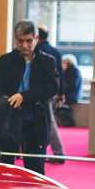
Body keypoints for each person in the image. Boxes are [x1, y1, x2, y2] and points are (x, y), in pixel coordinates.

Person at [0, 20, 59, 174]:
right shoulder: (5, 61)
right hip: (8, 121)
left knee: (35, 170)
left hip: (35, 121)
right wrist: (7, 98)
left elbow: (52, 87)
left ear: (36, 38)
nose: (24, 45)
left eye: (29, 41)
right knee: (3, 169)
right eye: (20, 41)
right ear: (15, 39)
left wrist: (25, 96)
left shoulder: (48, 61)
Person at [36, 26, 64, 164]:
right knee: (49, 121)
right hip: (51, 92)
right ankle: (57, 151)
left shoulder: (37, 51)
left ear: (37, 37)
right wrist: (61, 92)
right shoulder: (55, 51)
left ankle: (58, 153)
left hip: (39, 92)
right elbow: (60, 74)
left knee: (48, 121)